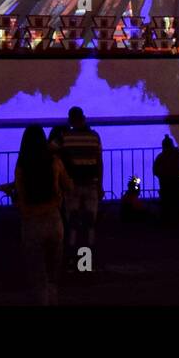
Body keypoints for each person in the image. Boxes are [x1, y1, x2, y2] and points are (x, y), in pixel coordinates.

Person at [14, 126, 73, 305]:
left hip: (32, 223)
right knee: (53, 275)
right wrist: (56, 200)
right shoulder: (54, 162)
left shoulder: (22, 165)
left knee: (38, 275)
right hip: (54, 221)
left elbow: (21, 198)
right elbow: (69, 185)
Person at [60, 107, 103, 261]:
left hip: (72, 185)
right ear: (84, 118)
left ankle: (73, 256)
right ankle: (87, 259)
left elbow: (61, 161)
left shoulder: (65, 138)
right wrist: (100, 185)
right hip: (91, 183)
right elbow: (99, 163)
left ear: (70, 119)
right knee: (90, 221)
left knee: (72, 221)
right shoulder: (94, 137)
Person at [153, 136, 179, 224]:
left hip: (164, 182)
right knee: (178, 200)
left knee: (166, 202)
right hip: (177, 181)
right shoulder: (178, 154)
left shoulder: (160, 157)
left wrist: (162, 175)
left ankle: (166, 219)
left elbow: (155, 170)